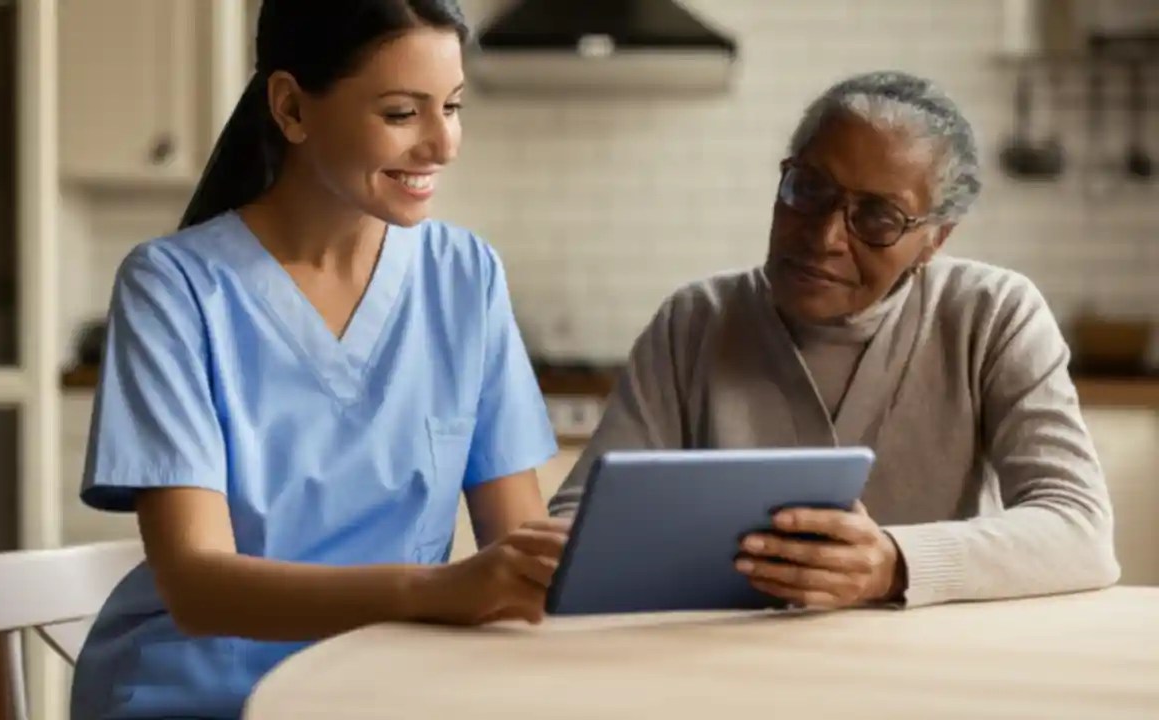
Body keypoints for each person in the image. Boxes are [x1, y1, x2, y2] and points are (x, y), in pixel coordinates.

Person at [71, 2, 568, 718]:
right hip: (205, 693)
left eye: (453, 107)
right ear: (292, 108)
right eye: (402, 113)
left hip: (390, 688)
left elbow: (520, 545)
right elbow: (196, 586)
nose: (442, 144)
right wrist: (434, 594)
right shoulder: (174, 288)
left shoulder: (467, 275)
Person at [549, 71, 1120, 611]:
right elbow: (576, 523)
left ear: (935, 240)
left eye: (877, 218)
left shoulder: (993, 315)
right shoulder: (695, 322)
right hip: (724, 664)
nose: (823, 237)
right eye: (808, 189)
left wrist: (894, 564)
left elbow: (1078, 526)